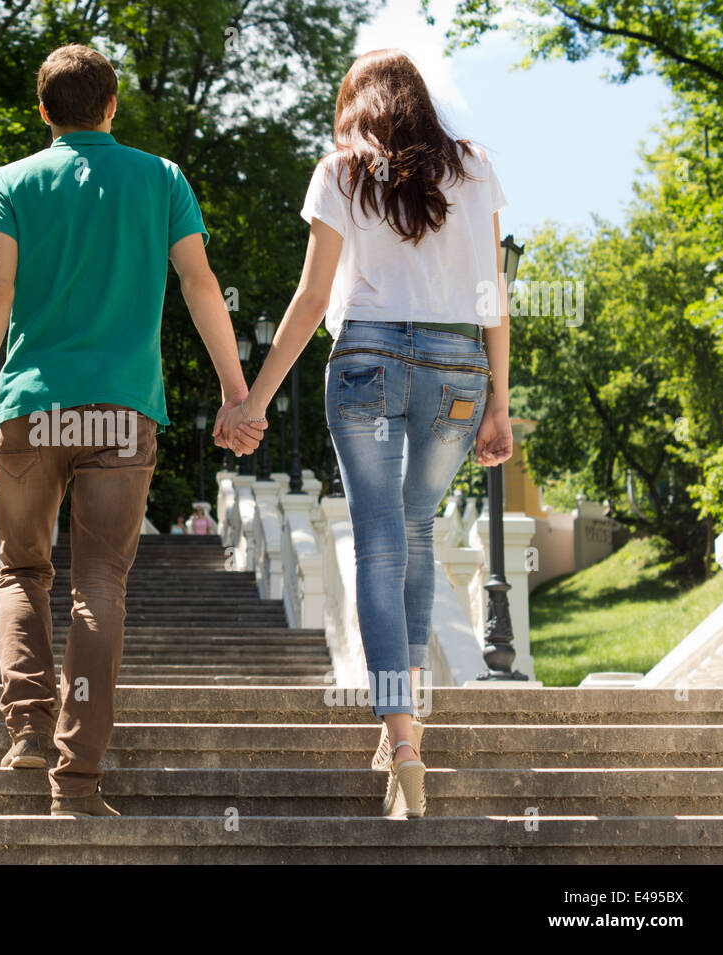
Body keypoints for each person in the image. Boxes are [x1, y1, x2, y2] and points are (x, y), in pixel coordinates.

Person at [0, 44, 263, 817]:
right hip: (124, 414)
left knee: (23, 572)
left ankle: (27, 726)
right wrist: (237, 391)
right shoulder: (159, 178)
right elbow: (199, 284)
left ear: (43, 112)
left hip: (32, 406)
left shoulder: (13, 182)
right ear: (113, 105)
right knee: (100, 587)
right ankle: (77, 781)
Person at [218, 49, 515, 818]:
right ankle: (405, 719)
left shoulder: (340, 170)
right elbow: (492, 297)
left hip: (367, 361)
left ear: (356, 104)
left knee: (381, 543)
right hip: (457, 368)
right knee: (415, 531)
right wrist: (500, 405)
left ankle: (403, 737)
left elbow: (313, 298)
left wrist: (251, 401)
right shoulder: (475, 167)